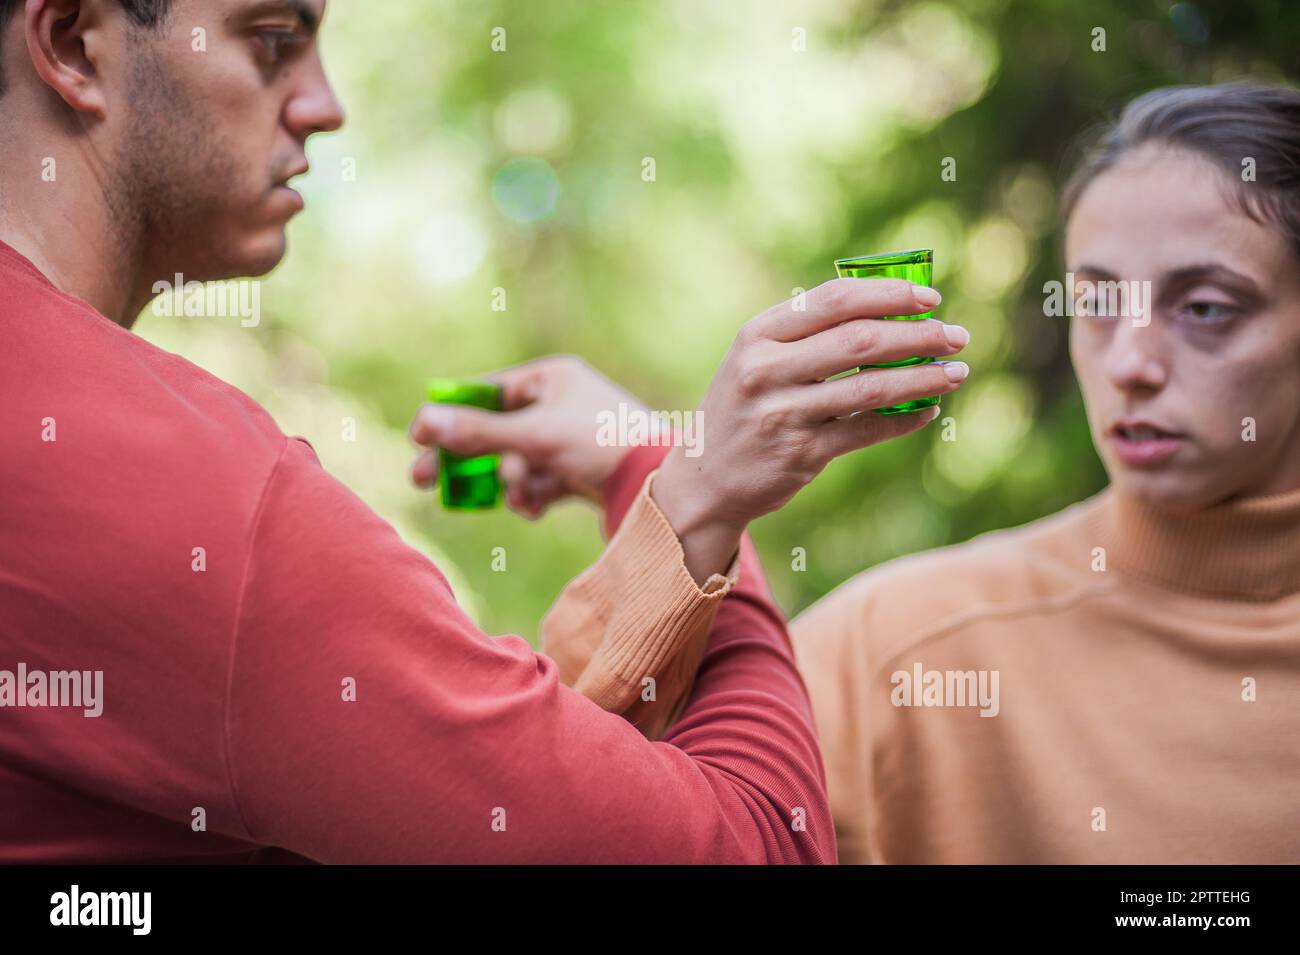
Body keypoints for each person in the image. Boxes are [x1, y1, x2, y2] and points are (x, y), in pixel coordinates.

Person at [0, 0, 970, 862]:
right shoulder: (222, 516)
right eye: (274, 39)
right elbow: (756, 840)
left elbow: (500, 783)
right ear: (73, 42)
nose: (326, 103)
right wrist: (696, 483)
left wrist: (671, 505)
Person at [788, 82, 1300, 863]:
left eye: (1204, 307)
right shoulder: (894, 647)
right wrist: (675, 498)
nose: (1130, 363)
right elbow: (605, 806)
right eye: (1096, 303)